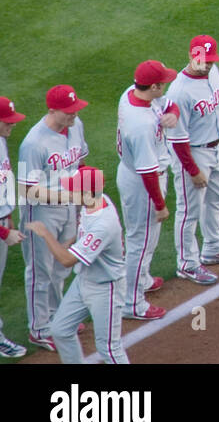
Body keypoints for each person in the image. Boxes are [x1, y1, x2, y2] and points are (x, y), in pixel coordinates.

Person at [25, 167, 129, 364]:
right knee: (60, 330)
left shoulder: (103, 223)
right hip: (84, 281)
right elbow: (84, 232)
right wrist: (72, 242)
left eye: (74, 190)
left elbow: (66, 260)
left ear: (87, 192)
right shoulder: (96, 201)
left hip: (106, 289)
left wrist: (45, 233)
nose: (69, 193)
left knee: (109, 347)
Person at [19, 84, 91, 351]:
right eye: (68, 111)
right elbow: (27, 189)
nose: (73, 115)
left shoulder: (76, 125)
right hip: (41, 212)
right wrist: (69, 198)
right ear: (52, 110)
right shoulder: (33, 143)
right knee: (40, 270)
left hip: (68, 206)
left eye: (75, 109)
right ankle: (39, 328)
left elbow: (80, 162)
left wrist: (83, 198)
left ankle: (56, 317)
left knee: (62, 265)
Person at [167, 36, 219, 286]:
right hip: (192, 152)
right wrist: (193, 170)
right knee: (189, 211)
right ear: (191, 55)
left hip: (215, 148)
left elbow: (216, 108)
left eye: (210, 60)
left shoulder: (213, 73)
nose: (207, 65)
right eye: (202, 60)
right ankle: (187, 264)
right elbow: (177, 139)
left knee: (215, 199)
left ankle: (213, 247)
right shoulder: (179, 90)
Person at [117, 59, 179, 321]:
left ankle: (141, 280)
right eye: (163, 82)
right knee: (140, 242)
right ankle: (132, 303)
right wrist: (160, 205)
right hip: (143, 183)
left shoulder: (133, 94)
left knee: (141, 240)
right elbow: (147, 172)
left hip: (135, 173)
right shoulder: (140, 124)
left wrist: (173, 113)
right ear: (153, 86)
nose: (166, 84)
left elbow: (168, 105)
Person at [0, 96, 27, 358]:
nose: (12, 125)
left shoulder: (1, 140)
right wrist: (4, 232)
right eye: (7, 122)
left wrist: (7, 215)